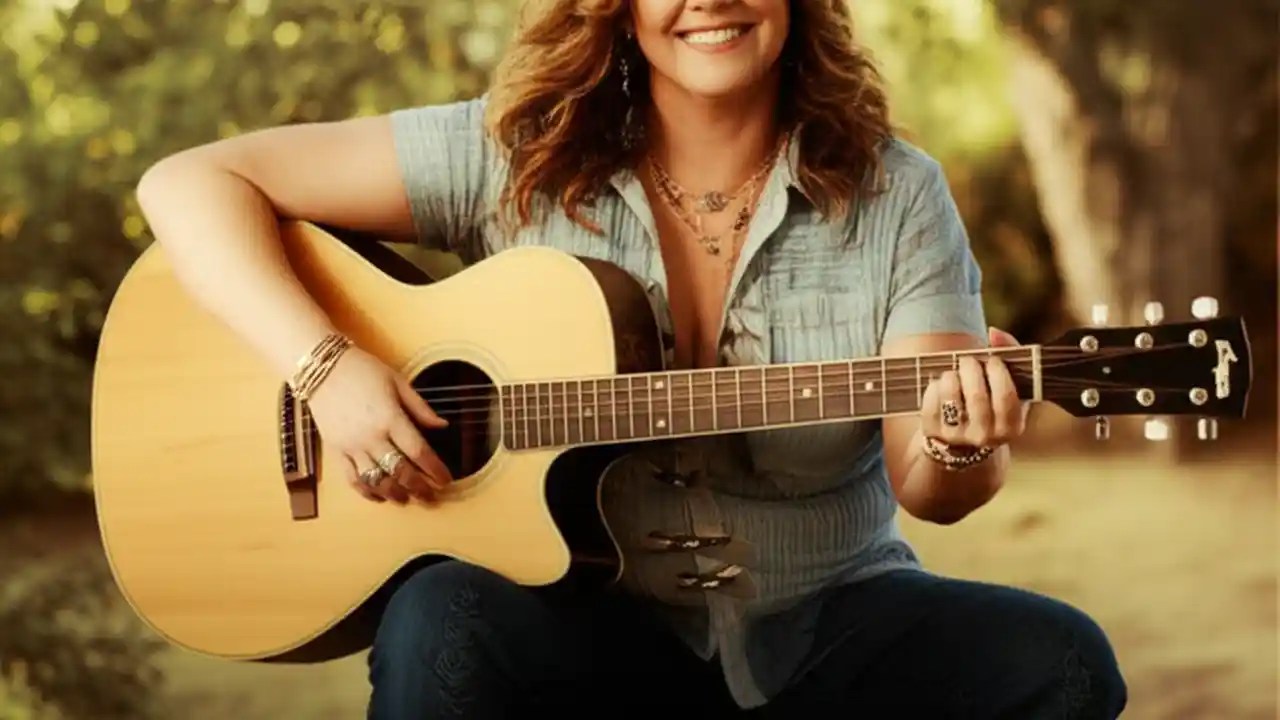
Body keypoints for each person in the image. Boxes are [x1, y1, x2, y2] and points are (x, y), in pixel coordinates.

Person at [135, 0, 1128, 717]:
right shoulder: (509, 156)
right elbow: (190, 182)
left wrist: (961, 442)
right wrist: (328, 371)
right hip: (590, 633)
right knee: (438, 618)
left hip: (831, 623)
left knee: (1063, 664)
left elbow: (931, 481)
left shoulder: (895, 194)